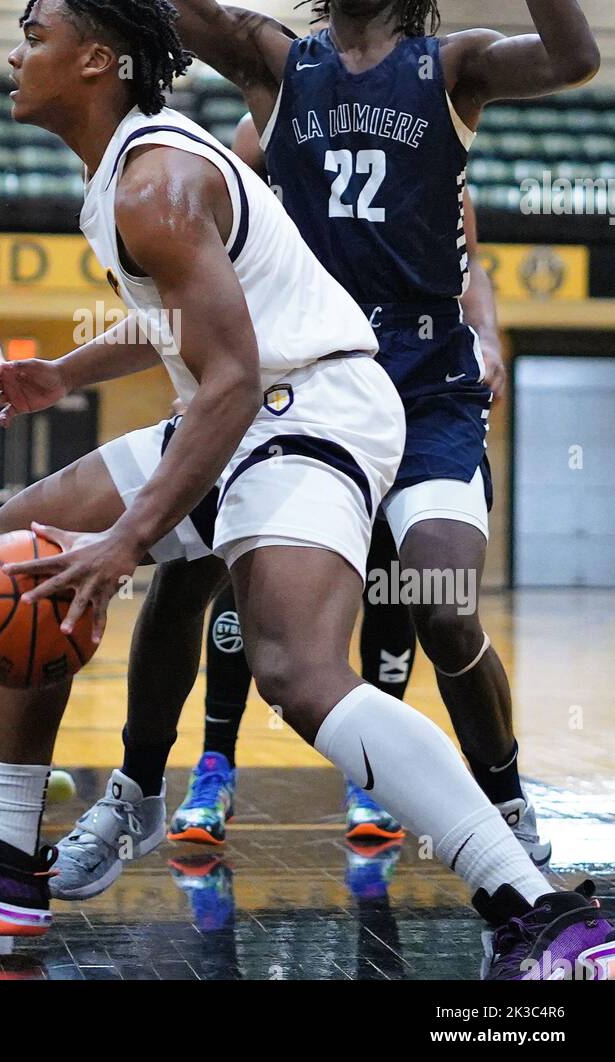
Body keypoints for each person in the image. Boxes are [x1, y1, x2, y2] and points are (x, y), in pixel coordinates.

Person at [0, 0, 612, 981]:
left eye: (32, 33)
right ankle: (3, 855)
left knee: (297, 671)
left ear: (95, 59)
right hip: (260, 397)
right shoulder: (129, 170)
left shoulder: (154, 181)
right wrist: (67, 372)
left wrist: (127, 540)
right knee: (14, 543)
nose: (12, 55)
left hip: (317, 404)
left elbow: (229, 379)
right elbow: (207, 328)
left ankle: (542, 909)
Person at [59, 0, 605, 899]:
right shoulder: (273, 58)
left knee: (443, 602)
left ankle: (505, 796)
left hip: (423, 387)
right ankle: (147, 789)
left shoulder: (450, 65)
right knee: (189, 565)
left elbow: (575, 58)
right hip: (297, 373)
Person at [167, 119, 506, 851]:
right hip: (303, 381)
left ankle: (367, 775)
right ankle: (214, 763)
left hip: (405, 390)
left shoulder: (432, 153)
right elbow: (213, 191)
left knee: (396, 584)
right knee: (248, 575)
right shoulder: (280, 117)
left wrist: (486, 333)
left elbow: (468, 266)